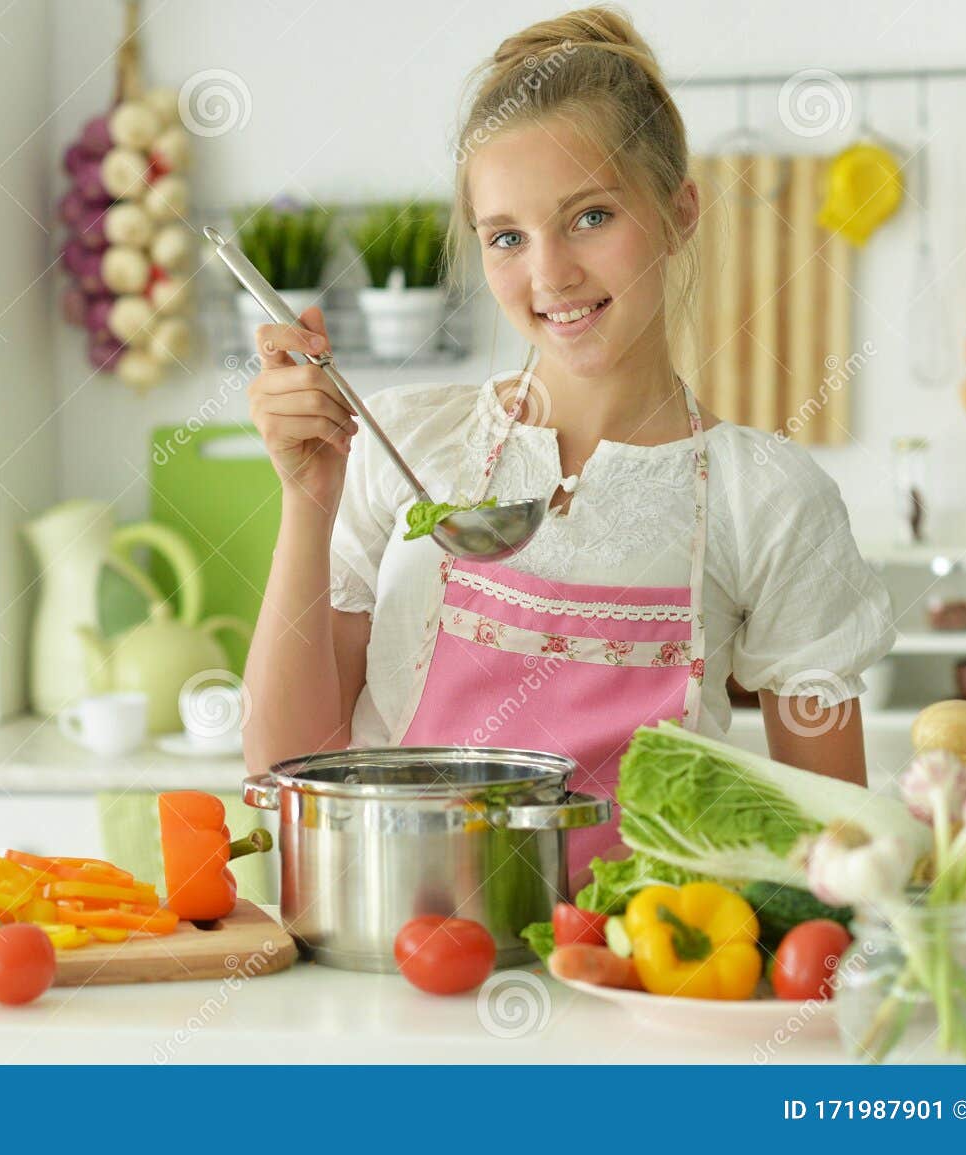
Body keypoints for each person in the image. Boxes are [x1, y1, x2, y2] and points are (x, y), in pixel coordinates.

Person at [240, 5, 894, 883]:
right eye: (507, 236)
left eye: (589, 217)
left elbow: (838, 862)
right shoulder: (403, 445)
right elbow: (285, 772)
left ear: (679, 212)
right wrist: (308, 497)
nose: (550, 274)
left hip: (637, 976)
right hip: (397, 955)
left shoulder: (766, 498)